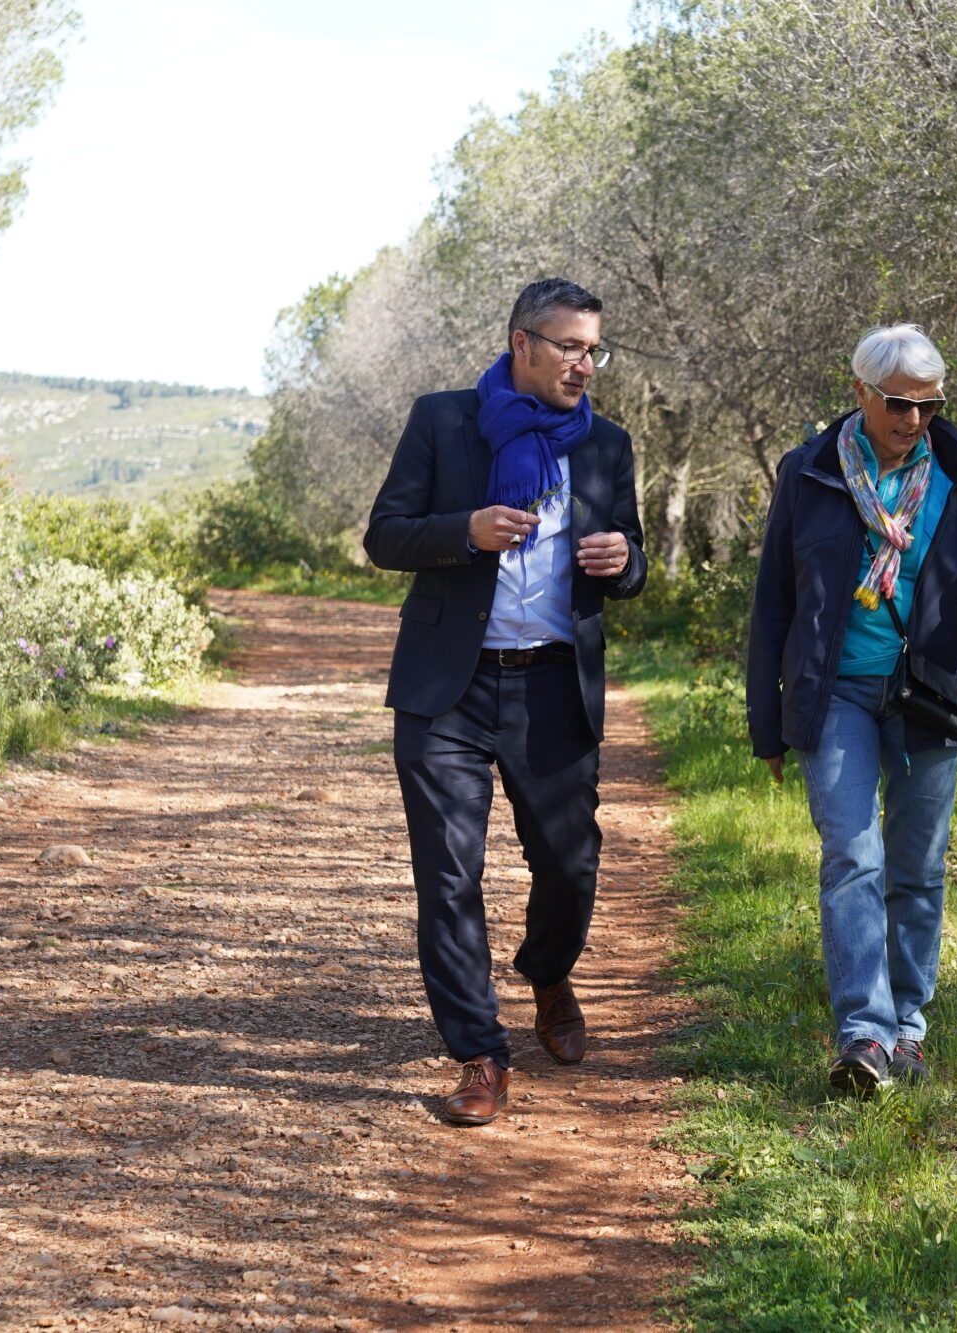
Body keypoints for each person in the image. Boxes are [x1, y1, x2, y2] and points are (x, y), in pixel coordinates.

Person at [364, 277, 646, 1126]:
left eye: (594, 348)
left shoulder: (605, 445)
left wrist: (620, 560)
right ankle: (480, 1054)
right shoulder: (443, 421)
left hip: (554, 682)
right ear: (521, 344)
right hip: (449, 685)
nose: (584, 364)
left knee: (570, 863)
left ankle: (549, 971)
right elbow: (384, 534)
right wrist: (465, 531)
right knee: (449, 873)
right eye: (569, 346)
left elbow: (635, 562)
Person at [747, 323, 957, 1094]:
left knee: (916, 867)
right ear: (861, 393)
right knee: (853, 857)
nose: (914, 420)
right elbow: (773, 600)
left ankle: (907, 1027)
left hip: (929, 695)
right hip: (833, 691)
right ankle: (863, 1034)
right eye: (899, 403)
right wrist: (765, 722)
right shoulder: (808, 472)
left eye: (929, 405)